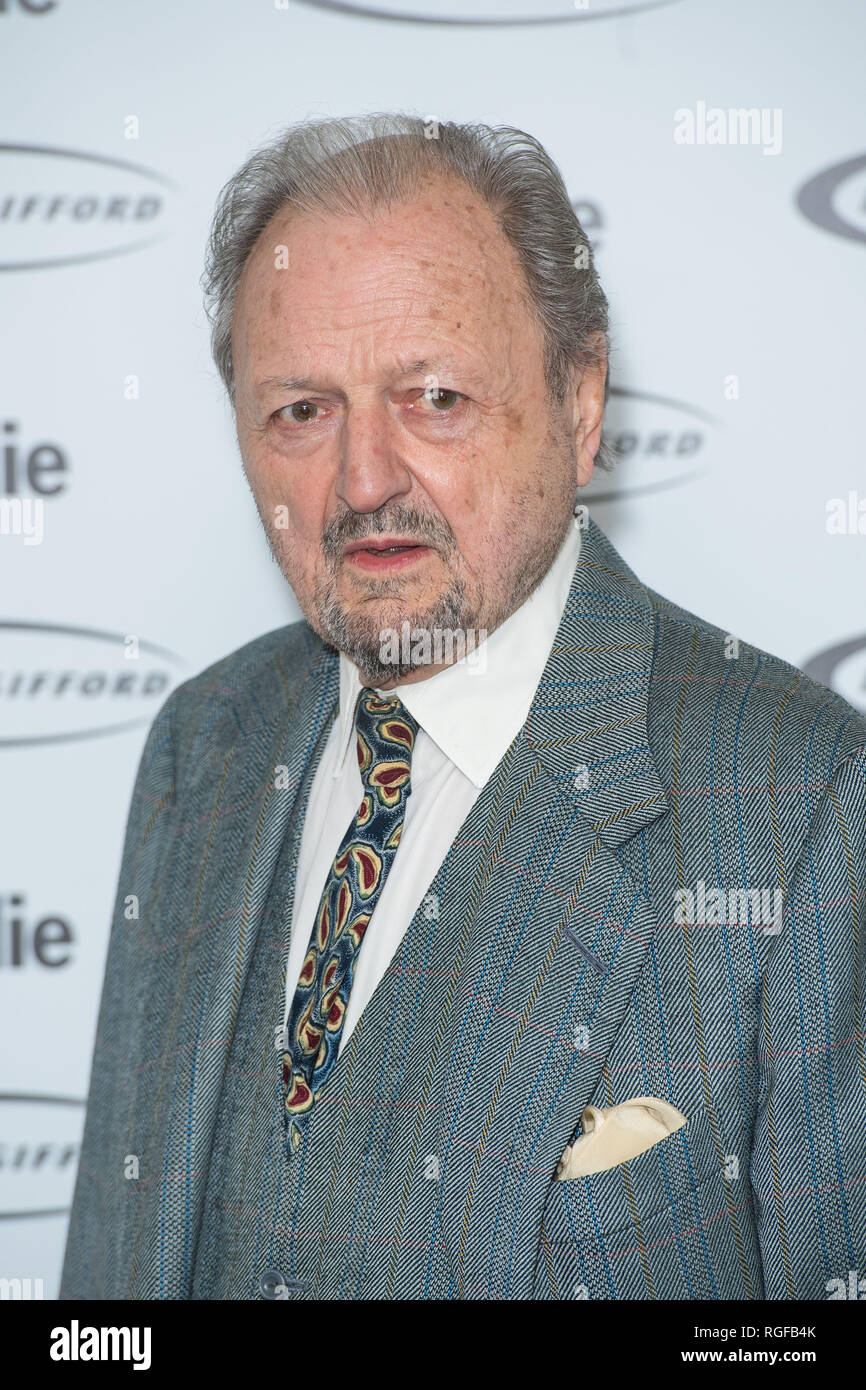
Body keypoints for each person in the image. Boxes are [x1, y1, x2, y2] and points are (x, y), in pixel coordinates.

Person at [61, 113, 866, 1301]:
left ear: (578, 404)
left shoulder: (802, 806)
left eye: (433, 396)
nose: (364, 479)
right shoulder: (203, 744)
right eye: (302, 410)